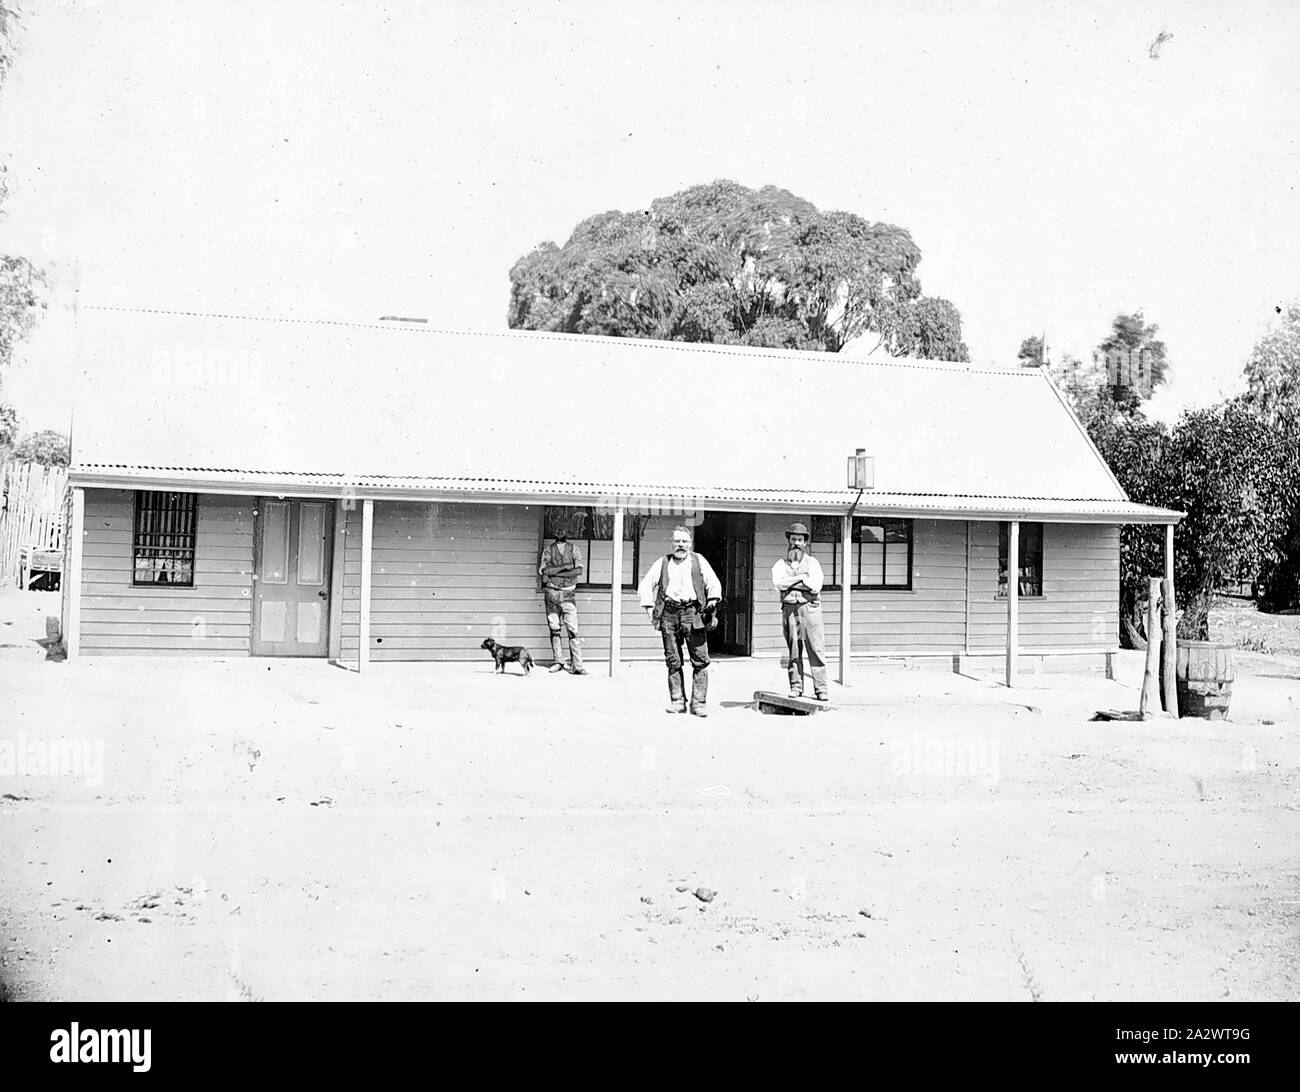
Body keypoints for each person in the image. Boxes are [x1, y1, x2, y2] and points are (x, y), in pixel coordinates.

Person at [638, 524, 722, 716]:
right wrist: (650, 609)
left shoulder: (698, 561)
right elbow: (645, 586)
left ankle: (699, 703)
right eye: (677, 541)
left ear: (690, 543)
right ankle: (677, 701)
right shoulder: (662, 563)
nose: (681, 545)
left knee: (700, 660)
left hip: (693, 613)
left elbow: (713, 583)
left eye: (684, 541)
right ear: (671, 544)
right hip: (669, 614)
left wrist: (712, 601)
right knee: (673, 660)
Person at [771, 522, 829, 701]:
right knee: (794, 649)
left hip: (810, 610)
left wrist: (791, 581)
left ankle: (821, 689)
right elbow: (779, 583)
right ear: (788, 540)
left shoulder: (813, 563)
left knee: (815, 648)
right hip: (790, 610)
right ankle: (796, 687)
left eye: (800, 540)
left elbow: (814, 586)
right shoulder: (780, 564)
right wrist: (802, 578)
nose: (796, 542)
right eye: (793, 539)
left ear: (805, 543)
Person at [538, 524, 587, 675]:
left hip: (568, 594)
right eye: (557, 529)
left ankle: (577, 665)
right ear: (554, 532)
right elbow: (544, 571)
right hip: (552, 593)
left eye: (562, 529)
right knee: (554, 629)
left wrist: (555, 572)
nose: (560, 532)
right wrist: (566, 567)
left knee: (573, 630)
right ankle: (558, 661)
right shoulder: (548, 550)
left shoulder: (574, 549)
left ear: (567, 532)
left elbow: (578, 570)